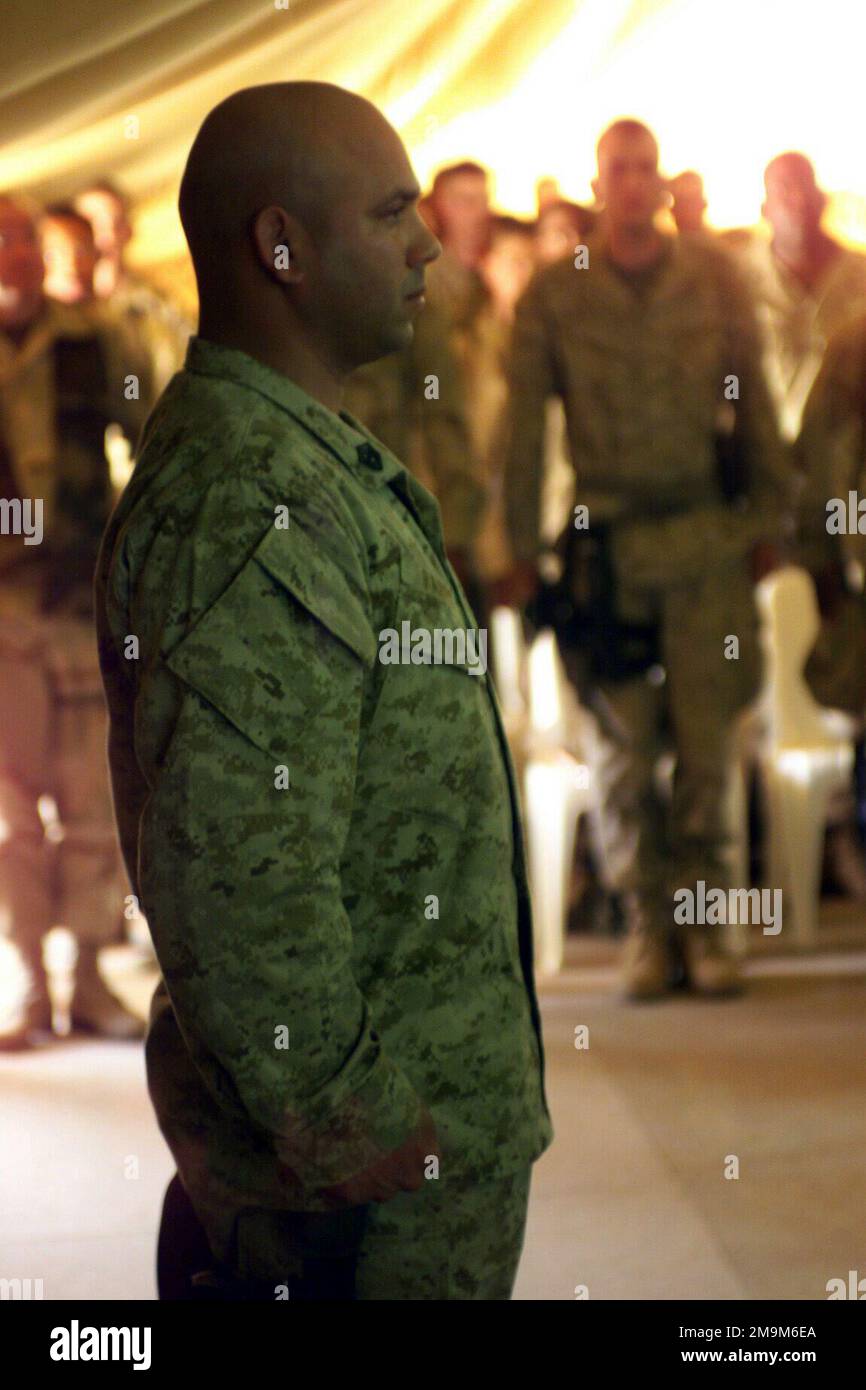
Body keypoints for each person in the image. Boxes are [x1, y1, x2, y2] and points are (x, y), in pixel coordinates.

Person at [94, 81, 553, 1301]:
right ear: (281, 246)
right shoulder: (254, 499)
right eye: (390, 213)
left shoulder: (302, 461)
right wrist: (344, 1117)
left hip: (392, 1173)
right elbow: (236, 861)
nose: (427, 247)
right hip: (351, 1202)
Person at [499, 119, 791, 1000]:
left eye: (644, 170)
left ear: (661, 183)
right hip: (609, 550)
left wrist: (771, 512)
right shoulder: (556, 294)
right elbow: (522, 436)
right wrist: (515, 548)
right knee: (622, 752)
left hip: (703, 537)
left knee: (708, 743)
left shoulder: (714, 277)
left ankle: (705, 929)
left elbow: (756, 401)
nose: (632, 184)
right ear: (598, 183)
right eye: (616, 170)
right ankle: (647, 925)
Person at [0, 194, 144, 1048]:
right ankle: (25, 973)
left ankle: (88, 976)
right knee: (11, 804)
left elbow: (152, 437)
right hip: (2, 608)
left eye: (25, 238)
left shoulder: (96, 341)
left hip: (83, 593)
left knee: (93, 796)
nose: (15, 253)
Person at [736, 153, 866, 444]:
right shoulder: (736, 282)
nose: (798, 201)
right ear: (765, 209)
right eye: (784, 190)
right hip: (770, 463)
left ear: (822, 199)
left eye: (805, 188)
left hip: (849, 462)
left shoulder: (861, 279)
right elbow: (727, 378)